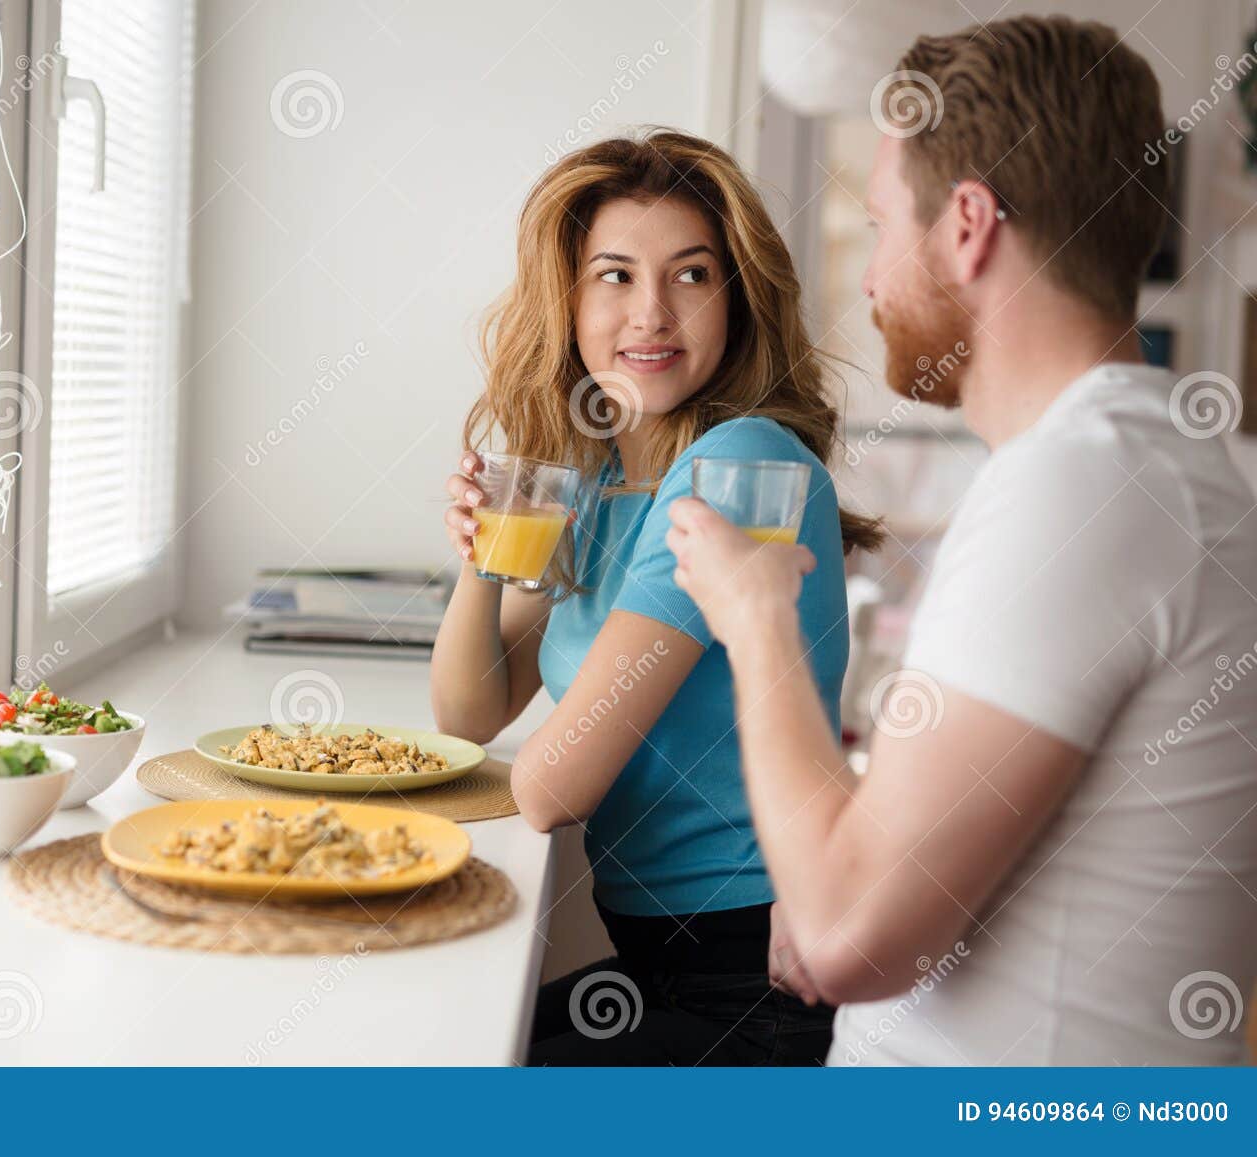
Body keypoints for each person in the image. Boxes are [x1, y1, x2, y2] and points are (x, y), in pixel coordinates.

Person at [667, 15, 1257, 1065]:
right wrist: (829, 865)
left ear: (968, 226)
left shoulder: (1087, 483)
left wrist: (753, 616)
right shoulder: (1121, 463)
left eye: (882, 221)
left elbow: (850, 939)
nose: (867, 274)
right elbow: (900, 871)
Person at [428, 129, 881, 1065]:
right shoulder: (593, 477)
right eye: (615, 275)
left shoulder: (738, 467)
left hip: (754, 986)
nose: (652, 315)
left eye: (691, 273)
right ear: (568, 297)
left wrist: (547, 749)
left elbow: (550, 788)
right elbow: (469, 709)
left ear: (736, 293)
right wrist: (481, 553)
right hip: (660, 968)